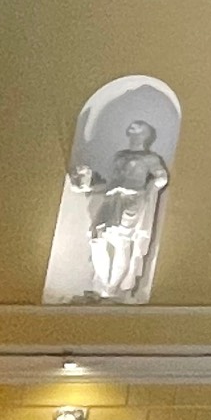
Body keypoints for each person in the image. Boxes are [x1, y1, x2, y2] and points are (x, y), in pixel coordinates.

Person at [71, 120, 170, 299]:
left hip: (132, 199)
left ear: (145, 135)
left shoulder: (150, 158)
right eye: (131, 127)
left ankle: (112, 289)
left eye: (138, 127)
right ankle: (101, 284)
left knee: (121, 241)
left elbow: (161, 177)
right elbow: (111, 181)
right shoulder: (119, 155)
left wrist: (152, 187)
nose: (133, 128)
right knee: (97, 238)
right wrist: (89, 182)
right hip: (111, 197)